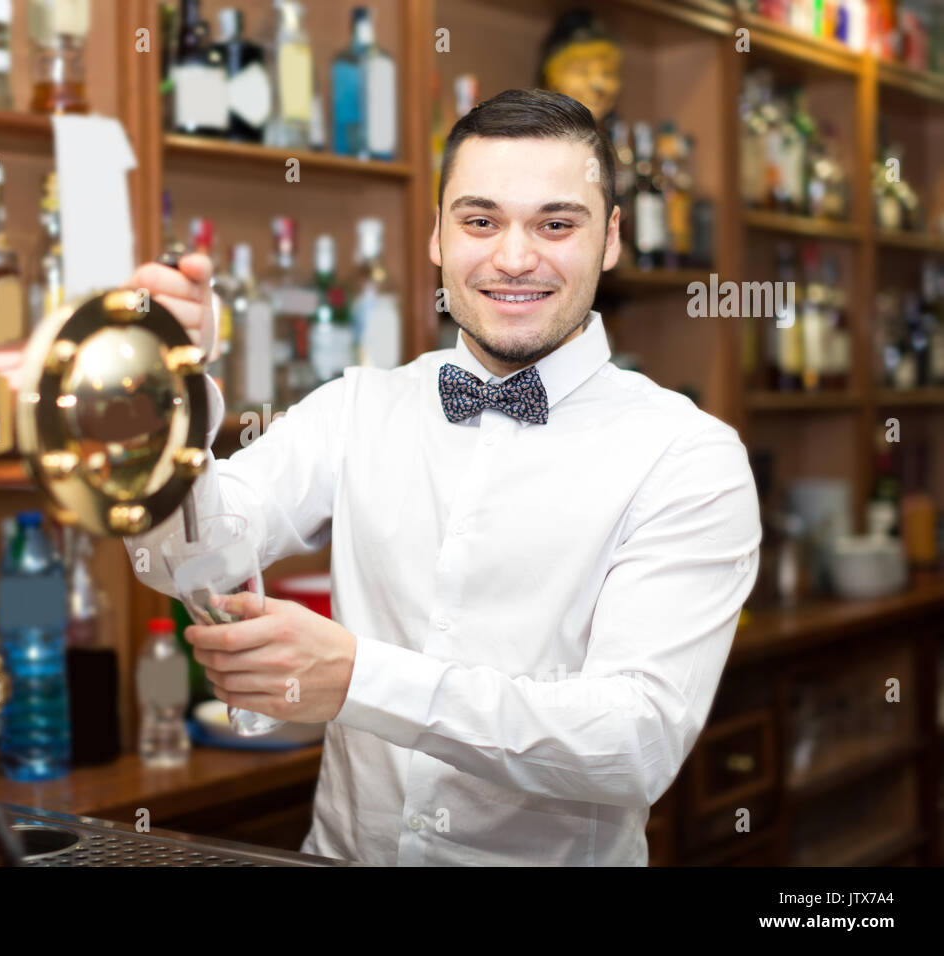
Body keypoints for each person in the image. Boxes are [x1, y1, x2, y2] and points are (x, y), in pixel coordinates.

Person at [122, 88, 761, 866]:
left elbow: (635, 741)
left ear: (612, 239)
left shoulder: (688, 455)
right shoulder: (359, 406)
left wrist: (363, 679)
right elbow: (183, 559)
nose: (515, 257)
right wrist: (167, 391)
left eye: (556, 224)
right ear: (436, 236)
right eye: (480, 220)